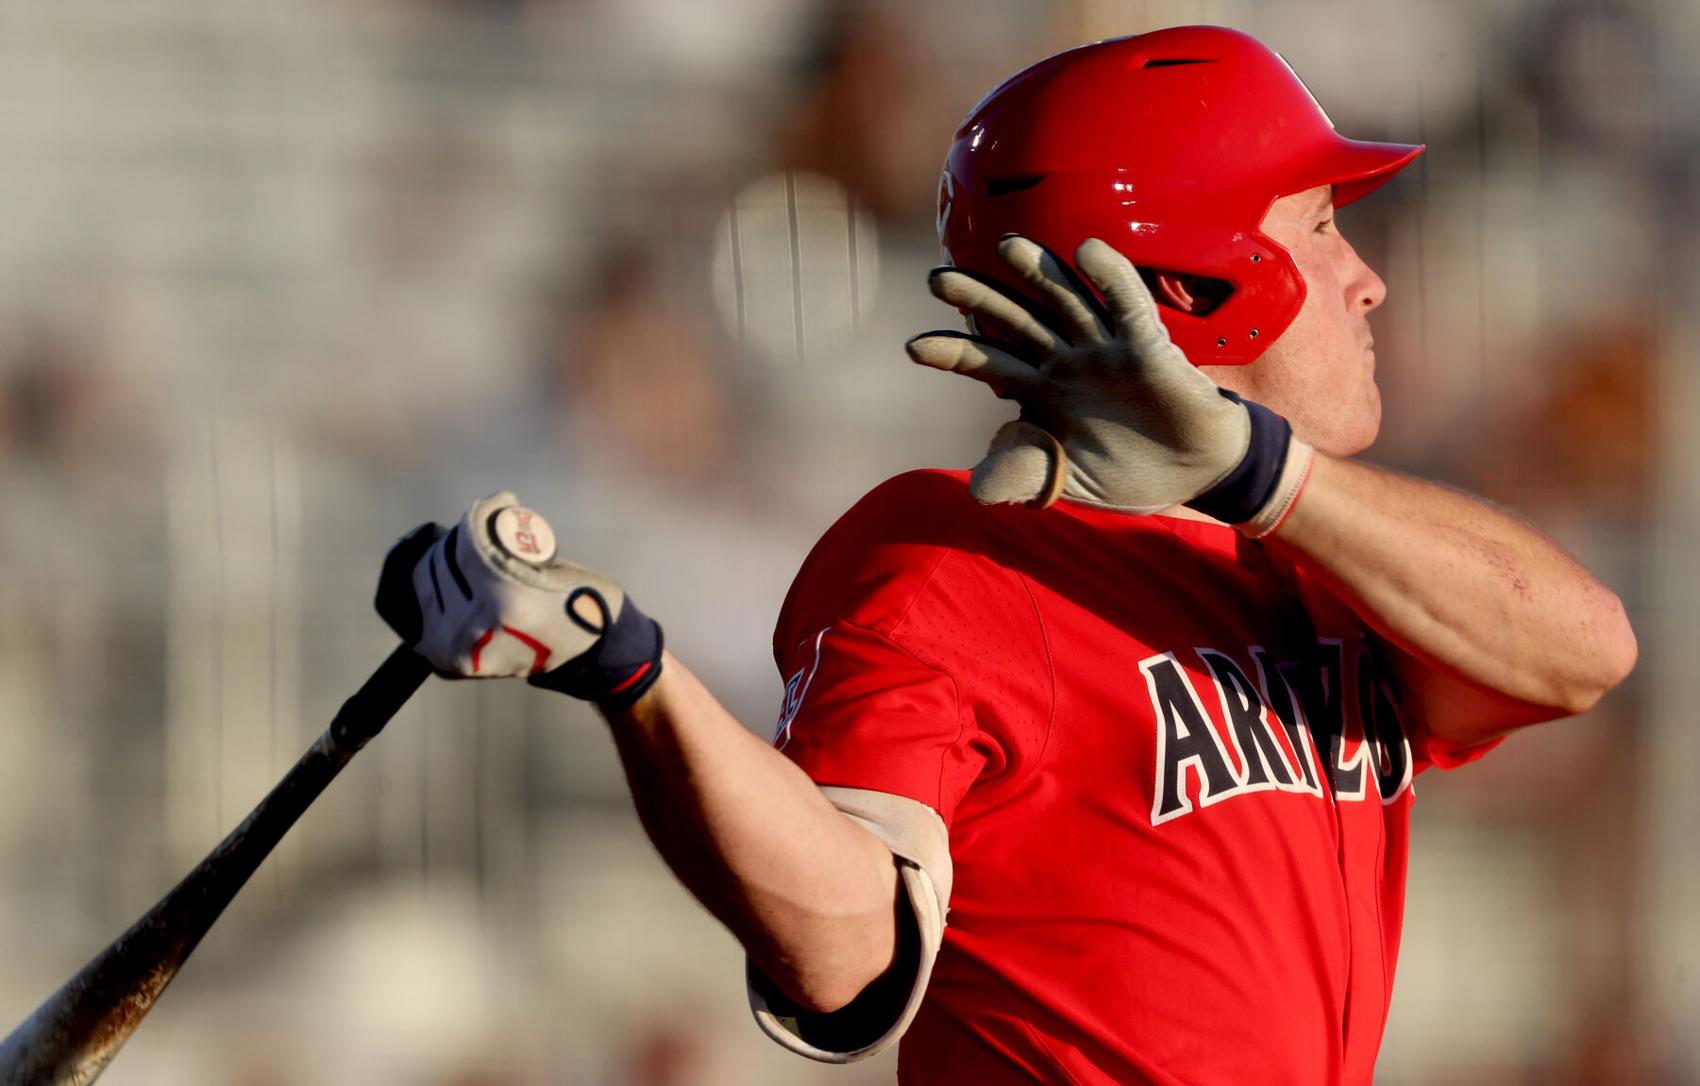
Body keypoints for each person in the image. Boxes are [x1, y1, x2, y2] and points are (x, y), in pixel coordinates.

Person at [373, 26, 1637, 1086]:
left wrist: (1260, 475)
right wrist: (633, 676)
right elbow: (851, 953)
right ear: (1196, 282)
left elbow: (1583, 651)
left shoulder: (1318, 550)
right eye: (1317, 229)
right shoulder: (953, 558)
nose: (1366, 282)